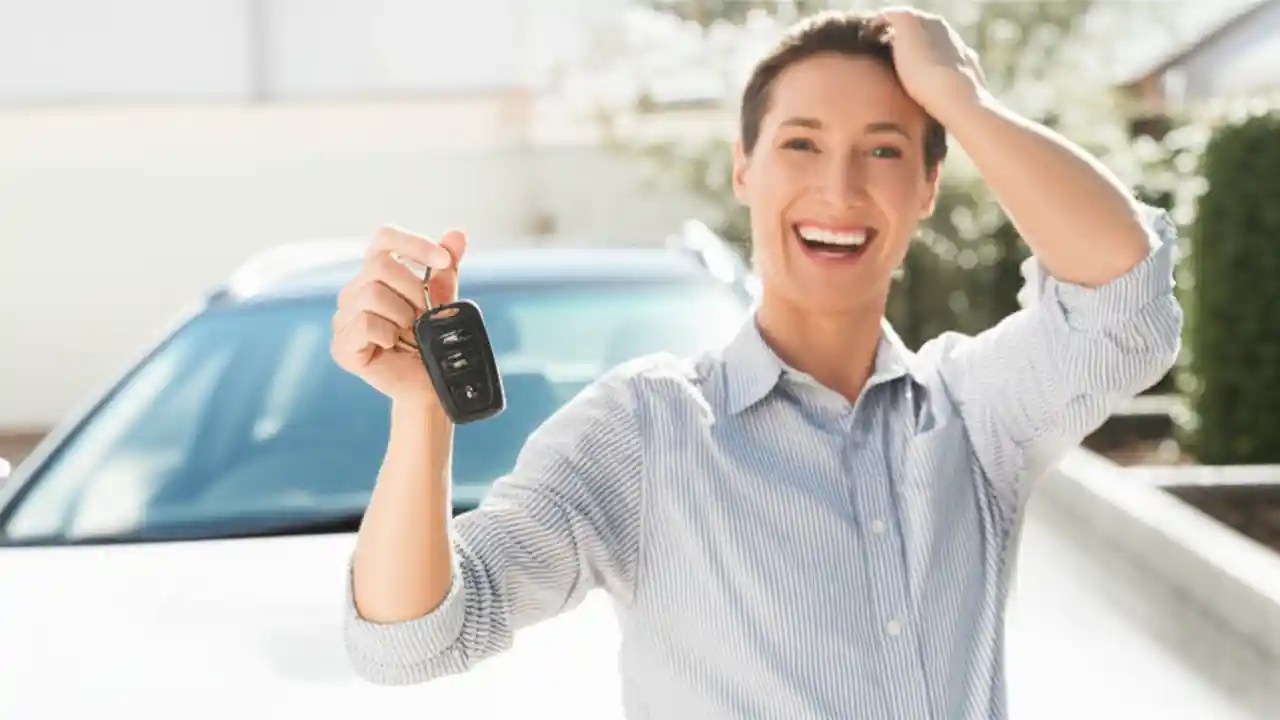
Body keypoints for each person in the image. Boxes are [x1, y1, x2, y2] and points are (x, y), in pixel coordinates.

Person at [329, 7, 1183, 718]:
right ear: (745, 168)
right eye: (802, 144)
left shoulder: (974, 417)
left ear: (928, 187)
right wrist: (420, 412)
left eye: (884, 149)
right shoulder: (645, 429)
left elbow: (1125, 301)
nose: (840, 191)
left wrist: (958, 98)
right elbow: (413, 639)